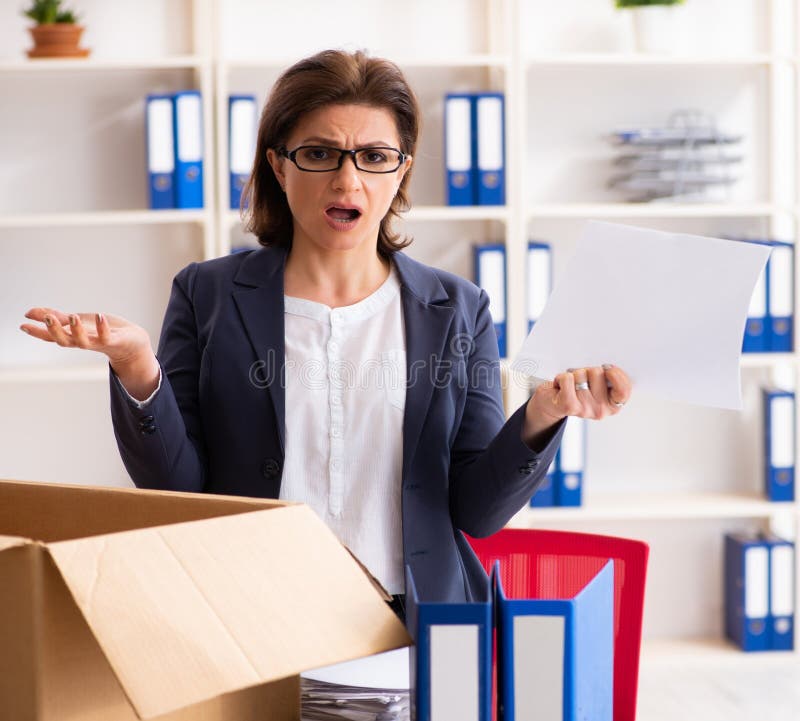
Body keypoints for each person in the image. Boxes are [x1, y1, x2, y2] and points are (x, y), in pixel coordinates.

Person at [20, 49, 631, 609]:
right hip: (250, 619)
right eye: (318, 154)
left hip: (412, 633)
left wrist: (542, 414)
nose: (348, 180)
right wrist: (137, 369)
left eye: (374, 157)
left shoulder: (458, 307)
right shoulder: (206, 293)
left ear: (401, 173)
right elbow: (179, 488)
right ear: (278, 168)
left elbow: (475, 511)